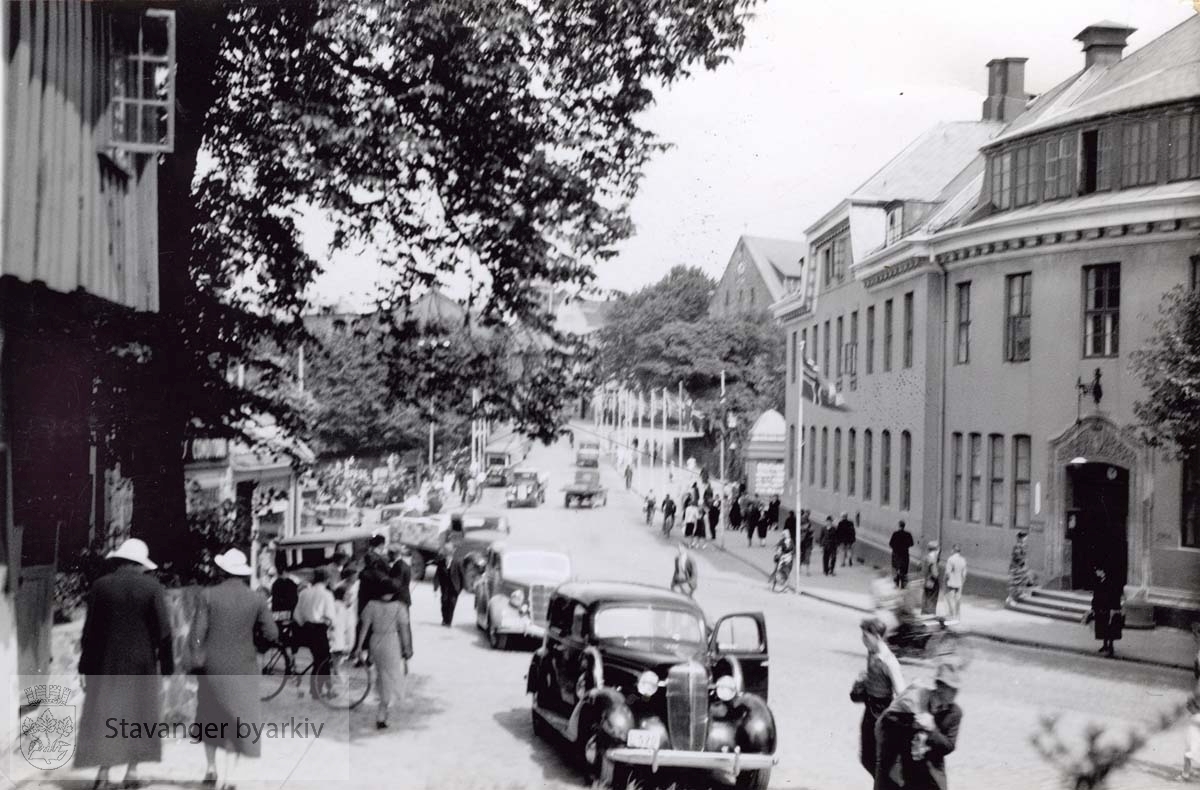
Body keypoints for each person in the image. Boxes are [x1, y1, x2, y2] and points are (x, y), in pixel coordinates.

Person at [75, 539, 174, 790]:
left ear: (119, 561)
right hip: (141, 663)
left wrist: (84, 667)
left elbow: (90, 631)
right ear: (140, 564)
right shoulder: (152, 588)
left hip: (105, 663)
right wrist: (168, 667)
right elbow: (164, 631)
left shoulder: (100, 587)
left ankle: (103, 774)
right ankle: (131, 772)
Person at [193, 548, 279, 788]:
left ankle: (211, 769)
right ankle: (229, 777)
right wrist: (258, 646)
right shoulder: (257, 599)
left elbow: (197, 635)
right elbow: (272, 633)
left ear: (222, 571)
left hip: (213, 665)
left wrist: (198, 658)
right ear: (242, 574)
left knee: (210, 715)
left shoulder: (207, 595)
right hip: (244, 665)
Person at [874, 662, 963, 790]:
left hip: (929, 774)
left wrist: (932, 729)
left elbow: (948, 746)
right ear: (939, 686)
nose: (955, 693)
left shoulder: (955, 713)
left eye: (956, 689)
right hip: (900, 766)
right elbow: (887, 722)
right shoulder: (915, 698)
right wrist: (914, 724)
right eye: (952, 688)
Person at [852, 617, 905, 778]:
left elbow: (901, 692)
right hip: (870, 710)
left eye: (866, 637)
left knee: (882, 761)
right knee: (867, 758)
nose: (863, 641)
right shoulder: (872, 652)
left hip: (882, 714)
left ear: (878, 637)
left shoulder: (889, 662)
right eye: (862, 636)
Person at [356, 579, 408, 728]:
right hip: (391, 641)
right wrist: (406, 648)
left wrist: (359, 647)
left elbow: (364, 628)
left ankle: (383, 703)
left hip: (375, 640)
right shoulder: (399, 607)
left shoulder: (371, 605)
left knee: (381, 673)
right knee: (390, 675)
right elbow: (404, 630)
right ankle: (382, 712)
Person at [294, 567, 337, 699]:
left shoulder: (304, 593)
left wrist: (305, 623)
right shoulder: (327, 595)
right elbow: (330, 616)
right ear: (327, 580)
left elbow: (297, 615)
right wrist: (331, 627)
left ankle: (324, 689)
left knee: (319, 659)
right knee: (322, 660)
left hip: (306, 629)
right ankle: (318, 690)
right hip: (319, 629)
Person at [1088, 565, 1123, 658]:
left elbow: (1115, 596)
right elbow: (1095, 596)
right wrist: (1093, 607)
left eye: (1097, 571)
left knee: (1110, 627)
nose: (1096, 572)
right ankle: (1105, 645)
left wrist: (1114, 608)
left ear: (1102, 571)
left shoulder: (1111, 582)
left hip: (1109, 608)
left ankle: (1110, 646)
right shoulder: (1099, 581)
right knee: (1102, 627)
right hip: (1100, 609)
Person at [388, 551, 415, 665]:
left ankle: (405, 651)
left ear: (394, 554)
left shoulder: (398, 566)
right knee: (406, 625)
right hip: (405, 598)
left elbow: (396, 584)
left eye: (390, 554)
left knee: (401, 626)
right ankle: (407, 650)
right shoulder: (405, 565)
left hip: (399, 599)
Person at [432, 540, 459, 626]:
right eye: (446, 555)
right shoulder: (441, 563)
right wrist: (435, 588)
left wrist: (461, 589)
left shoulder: (457, 563)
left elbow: (462, 577)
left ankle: (449, 621)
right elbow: (437, 575)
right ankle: (444, 619)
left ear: (451, 555)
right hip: (445, 587)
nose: (447, 557)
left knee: (451, 604)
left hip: (454, 587)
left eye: (448, 555)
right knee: (444, 602)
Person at [943, 546, 967, 622]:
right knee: (957, 599)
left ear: (953, 550)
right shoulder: (963, 560)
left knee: (950, 599)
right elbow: (964, 573)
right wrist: (962, 581)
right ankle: (957, 616)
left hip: (951, 582)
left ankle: (951, 615)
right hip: (959, 582)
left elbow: (947, 572)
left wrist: (944, 580)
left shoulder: (950, 559)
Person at [1007, 531, 1032, 603]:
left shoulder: (1023, 545)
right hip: (1016, 567)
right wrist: (1022, 562)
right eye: (1024, 538)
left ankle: (1020, 595)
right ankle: (1011, 599)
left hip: (1021, 567)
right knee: (1015, 583)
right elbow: (1017, 557)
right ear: (1021, 538)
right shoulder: (1017, 546)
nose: (1025, 539)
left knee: (1021, 581)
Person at [889, 521, 914, 588]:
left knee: (896, 568)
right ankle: (903, 583)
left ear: (899, 526)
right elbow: (912, 543)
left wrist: (895, 548)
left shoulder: (895, 534)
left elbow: (890, 544)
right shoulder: (908, 534)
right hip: (904, 554)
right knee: (904, 569)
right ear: (904, 526)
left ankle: (896, 582)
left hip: (896, 554)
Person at [922, 542, 942, 615]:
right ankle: (930, 615)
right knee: (932, 599)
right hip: (932, 582)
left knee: (926, 598)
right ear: (936, 549)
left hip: (926, 581)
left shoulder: (926, 557)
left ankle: (924, 614)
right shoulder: (933, 559)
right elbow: (935, 574)